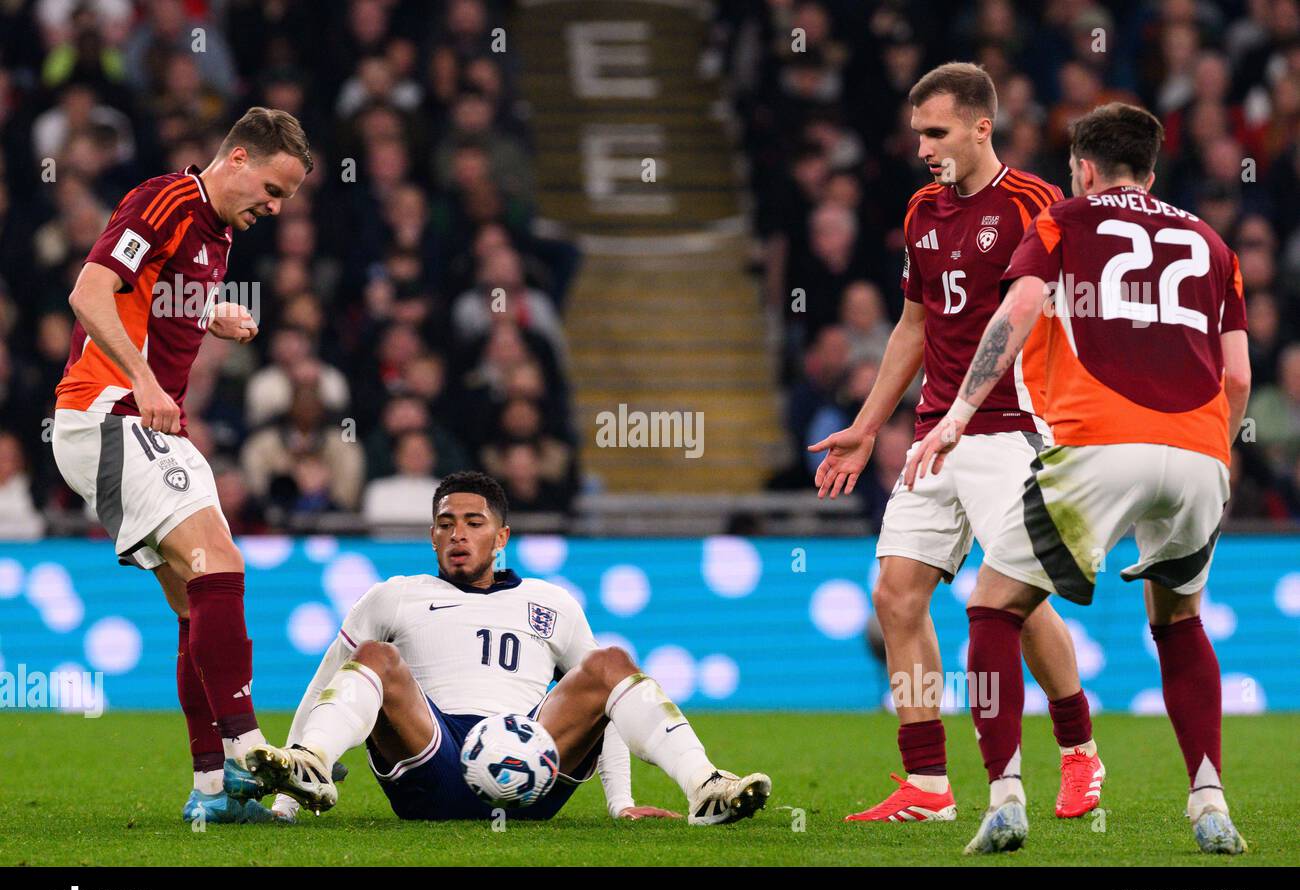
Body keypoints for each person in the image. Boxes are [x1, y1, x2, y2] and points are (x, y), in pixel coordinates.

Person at [906, 103, 1252, 855]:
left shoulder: (1061, 221)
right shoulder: (1213, 242)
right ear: (1152, 172)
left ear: (1085, 168)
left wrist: (959, 413)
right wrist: (1214, 455)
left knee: (995, 608)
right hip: (1199, 449)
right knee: (1180, 625)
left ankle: (1003, 799)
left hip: (1099, 441)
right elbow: (1238, 374)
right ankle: (1210, 800)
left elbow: (1017, 314)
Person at [810, 63, 1105, 823]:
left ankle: (1080, 752)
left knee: (1014, 601)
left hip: (1017, 431)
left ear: (982, 127)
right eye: (916, 134)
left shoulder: (1036, 204)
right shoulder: (921, 212)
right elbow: (914, 326)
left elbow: (1032, 316)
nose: (923, 148)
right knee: (896, 595)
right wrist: (868, 426)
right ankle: (929, 785)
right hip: (934, 432)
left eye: (936, 132)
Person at [51, 107, 313, 825]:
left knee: (198, 602)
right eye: (272, 187)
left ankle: (211, 792)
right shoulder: (166, 199)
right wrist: (140, 377)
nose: (276, 206)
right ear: (234, 159)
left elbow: (147, 297)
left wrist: (208, 311)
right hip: (110, 411)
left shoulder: (218, 235)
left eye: (285, 197)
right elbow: (90, 292)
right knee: (221, 564)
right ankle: (252, 749)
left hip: (139, 422)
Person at [250, 471, 771, 826]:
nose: (458, 535)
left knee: (609, 664)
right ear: (432, 536)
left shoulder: (552, 602)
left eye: (473, 524)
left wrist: (621, 803)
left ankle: (704, 786)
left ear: (501, 536)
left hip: (532, 760)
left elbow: (609, 707)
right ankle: (312, 765)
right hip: (433, 758)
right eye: (446, 524)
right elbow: (326, 684)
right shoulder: (393, 596)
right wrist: (286, 802)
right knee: (377, 659)